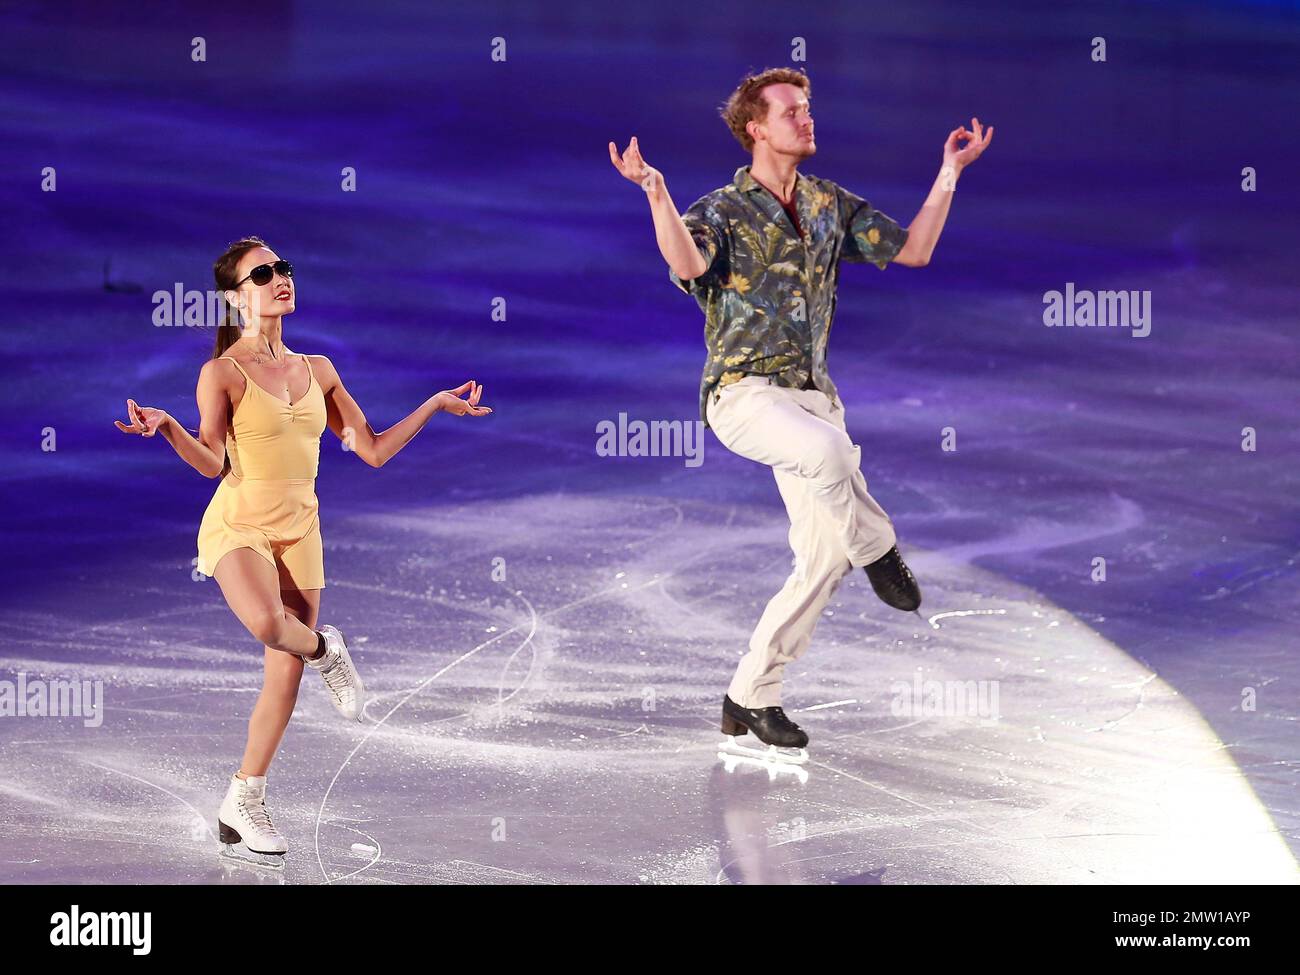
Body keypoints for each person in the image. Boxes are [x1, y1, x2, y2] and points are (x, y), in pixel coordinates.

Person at [609, 68, 993, 751]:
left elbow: (915, 249)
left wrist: (949, 171)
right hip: (744, 394)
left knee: (821, 557)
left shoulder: (826, 203)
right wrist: (655, 190)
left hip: (814, 397)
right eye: (791, 111)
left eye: (808, 109)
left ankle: (750, 695)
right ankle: (879, 544)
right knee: (830, 456)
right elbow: (690, 265)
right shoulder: (722, 210)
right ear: (756, 128)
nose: (806, 119)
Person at [115, 236, 492, 863]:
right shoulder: (221, 373)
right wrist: (167, 427)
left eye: (283, 268)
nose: (279, 278)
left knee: (281, 676)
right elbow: (211, 462)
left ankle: (243, 800)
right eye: (263, 273)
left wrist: (432, 405)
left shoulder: (318, 370)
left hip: (301, 528)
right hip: (241, 522)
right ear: (237, 297)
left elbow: (369, 448)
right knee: (271, 626)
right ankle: (328, 650)